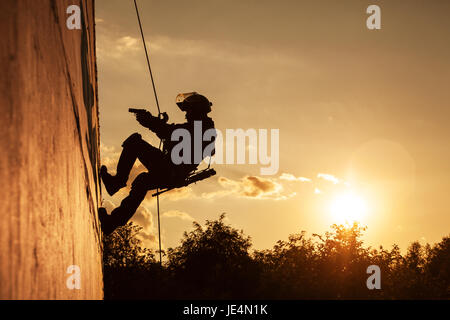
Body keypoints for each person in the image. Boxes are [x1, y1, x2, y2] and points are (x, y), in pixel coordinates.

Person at [98, 92, 215, 235]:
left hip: (170, 169)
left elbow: (170, 133)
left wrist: (149, 121)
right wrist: (158, 123)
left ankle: (116, 182)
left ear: (197, 111)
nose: (186, 114)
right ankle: (112, 222)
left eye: (188, 110)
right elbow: (172, 134)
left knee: (135, 142)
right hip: (171, 171)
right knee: (142, 181)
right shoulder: (202, 128)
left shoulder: (200, 129)